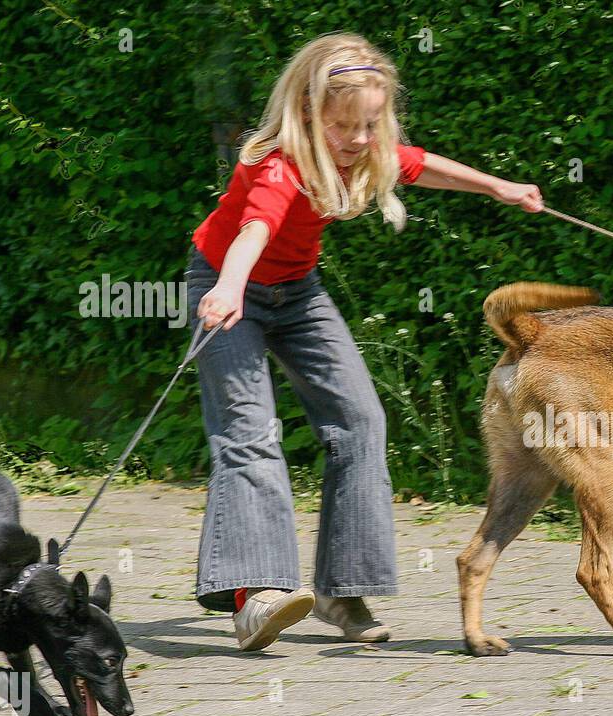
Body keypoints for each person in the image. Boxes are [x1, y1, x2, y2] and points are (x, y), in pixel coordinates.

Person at [185, 32, 542, 651]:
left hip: (296, 291)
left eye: (369, 125)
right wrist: (230, 289)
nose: (356, 140)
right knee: (250, 433)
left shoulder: (368, 149)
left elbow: (418, 163)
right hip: (226, 285)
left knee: (361, 420)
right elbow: (254, 228)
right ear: (306, 113)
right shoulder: (277, 164)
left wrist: (497, 187)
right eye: (342, 125)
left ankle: (342, 590)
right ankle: (256, 595)